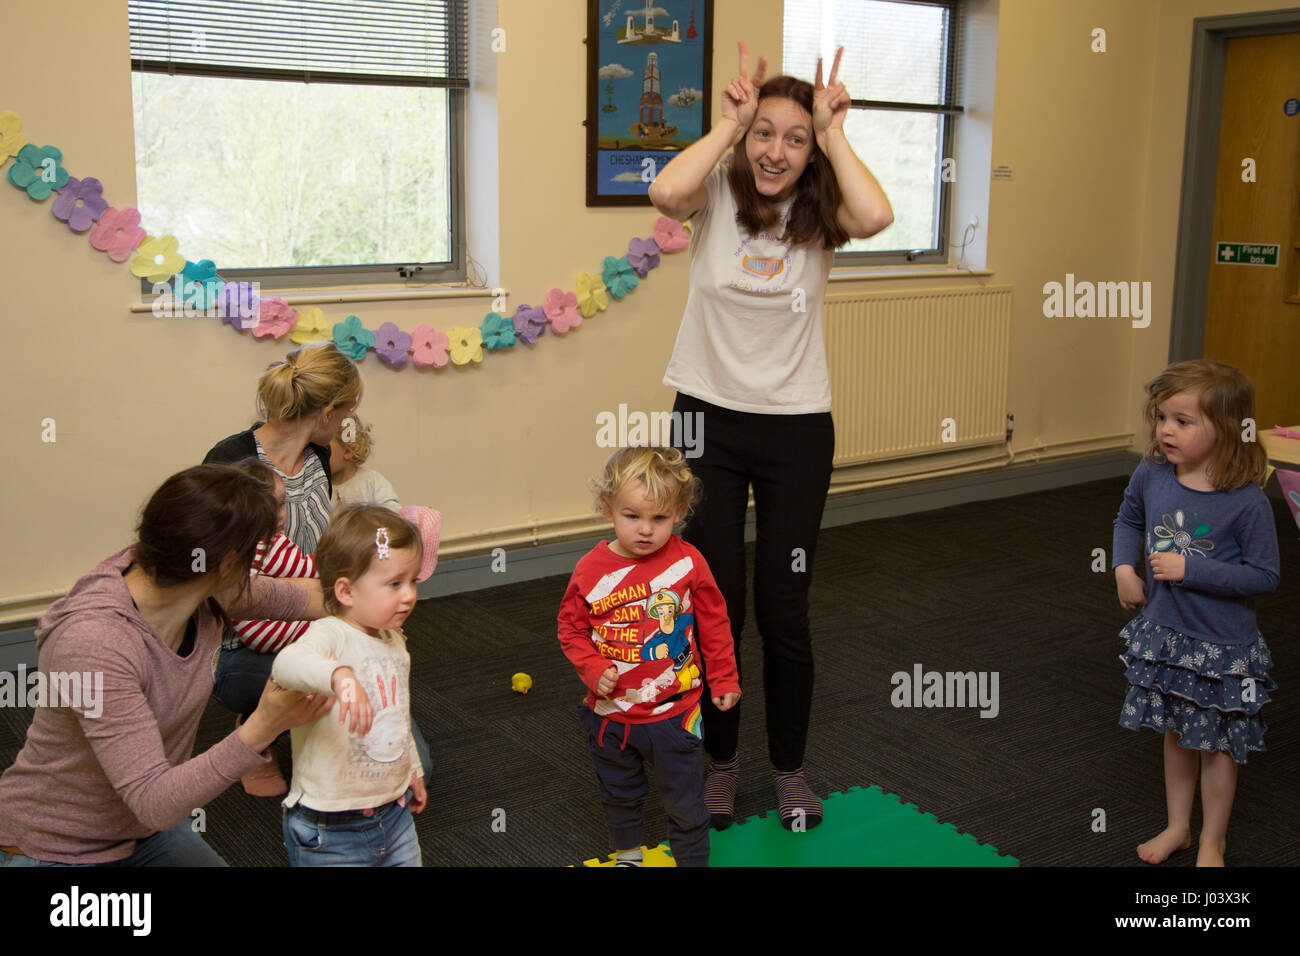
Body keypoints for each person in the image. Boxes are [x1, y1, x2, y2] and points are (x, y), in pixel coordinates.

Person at [648, 41, 893, 829]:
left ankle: (789, 770)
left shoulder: (823, 216)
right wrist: (727, 125)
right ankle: (720, 765)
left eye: (794, 136)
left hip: (795, 428)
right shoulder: (718, 193)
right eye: (765, 132)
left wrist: (835, 130)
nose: (775, 150)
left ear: (811, 146)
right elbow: (663, 190)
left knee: (783, 610)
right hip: (703, 419)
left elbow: (877, 214)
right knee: (711, 602)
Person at [0, 465, 331, 866]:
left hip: (141, 829)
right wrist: (263, 725)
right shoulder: (95, 643)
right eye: (253, 557)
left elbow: (304, 598)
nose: (255, 571)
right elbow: (154, 800)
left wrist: (378, 596)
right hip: (58, 848)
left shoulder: (197, 583)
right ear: (227, 565)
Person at [1113, 360, 1279, 867]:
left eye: (1183, 421)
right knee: (1177, 735)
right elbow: (1129, 517)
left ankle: (1213, 840)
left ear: (1226, 430)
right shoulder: (1153, 472)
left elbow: (1266, 577)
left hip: (1222, 646)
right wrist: (1123, 567)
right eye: (1162, 417)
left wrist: (1193, 569)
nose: (1166, 430)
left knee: (1219, 748)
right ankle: (1179, 827)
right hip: (1167, 636)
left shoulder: (1247, 502)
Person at [557, 447, 740, 867]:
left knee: (687, 804)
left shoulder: (688, 562)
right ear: (608, 509)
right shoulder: (590, 570)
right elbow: (570, 628)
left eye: (659, 518)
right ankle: (628, 856)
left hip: (675, 716)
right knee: (619, 794)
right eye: (632, 516)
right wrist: (593, 667)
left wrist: (725, 678)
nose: (645, 530)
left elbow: (714, 623)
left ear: (679, 513)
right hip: (611, 715)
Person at [272, 505, 427, 867]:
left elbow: (396, 716)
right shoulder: (330, 634)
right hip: (329, 829)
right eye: (394, 584)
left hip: (394, 817)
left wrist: (413, 769)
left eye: (413, 581)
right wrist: (339, 675)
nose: (409, 595)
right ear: (346, 592)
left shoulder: (393, 640)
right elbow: (285, 665)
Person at [330, 416, 400, 510]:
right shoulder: (315, 486)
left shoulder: (371, 482)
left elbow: (393, 517)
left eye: (322, 448)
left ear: (348, 451)